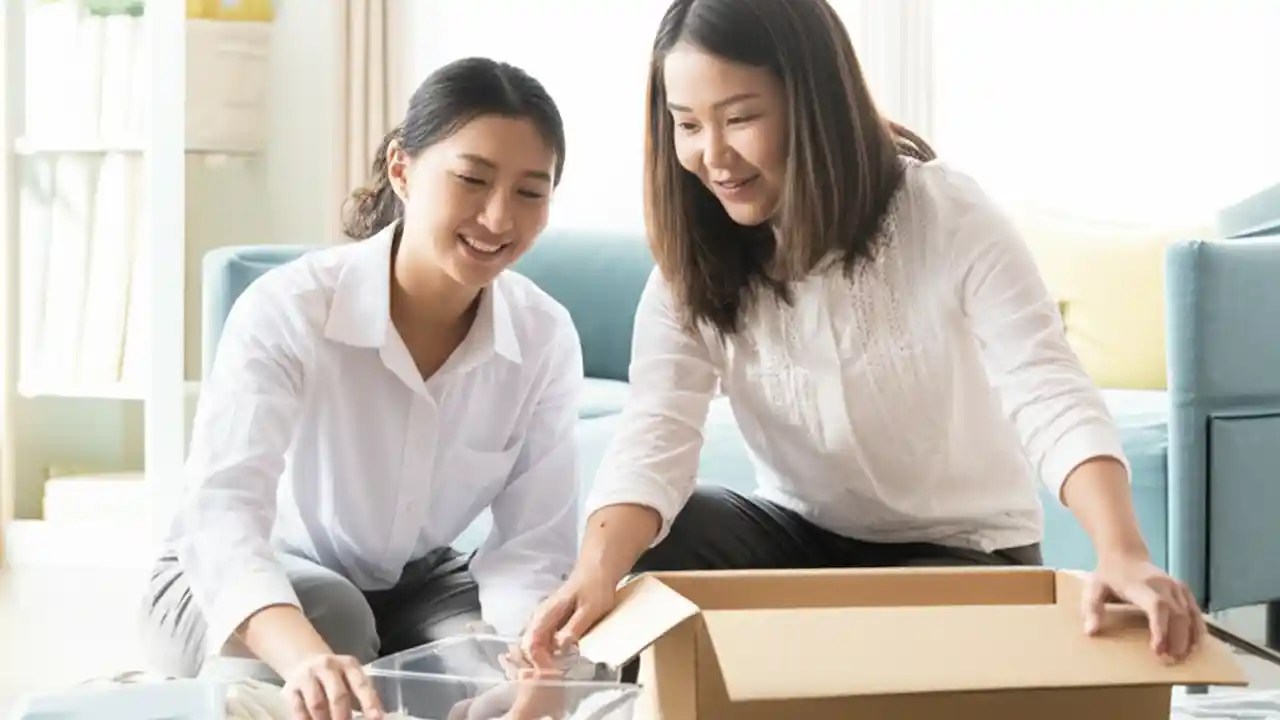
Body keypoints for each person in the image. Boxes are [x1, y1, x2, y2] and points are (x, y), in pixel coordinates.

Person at [522, 0, 1204, 670]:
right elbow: (656, 431)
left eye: (741, 118)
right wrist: (594, 569)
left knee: (873, 664)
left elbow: (1046, 387)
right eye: (687, 124)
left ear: (814, 100)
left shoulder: (946, 214)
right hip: (800, 542)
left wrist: (1120, 548)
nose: (713, 155)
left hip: (963, 554)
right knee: (656, 546)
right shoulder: (693, 264)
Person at [140, 57, 583, 720]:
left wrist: (526, 658)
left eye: (529, 192)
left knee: (499, 678)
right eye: (472, 179)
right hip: (228, 574)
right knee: (334, 631)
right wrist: (303, 657)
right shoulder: (290, 309)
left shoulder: (543, 335)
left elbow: (532, 548)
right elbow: (222, 515)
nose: (498, 217)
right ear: (402, 170)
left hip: (419, 582)